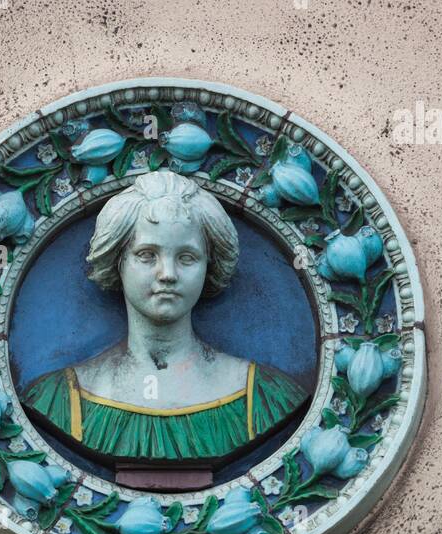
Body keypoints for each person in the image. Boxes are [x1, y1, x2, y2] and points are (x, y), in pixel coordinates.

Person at [22, 170, 308, 465]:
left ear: (209, 266)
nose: (168, 274)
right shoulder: (59, 400)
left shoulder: (265, 398)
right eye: (147, 255)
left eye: (187, 257)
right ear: (117, 261)